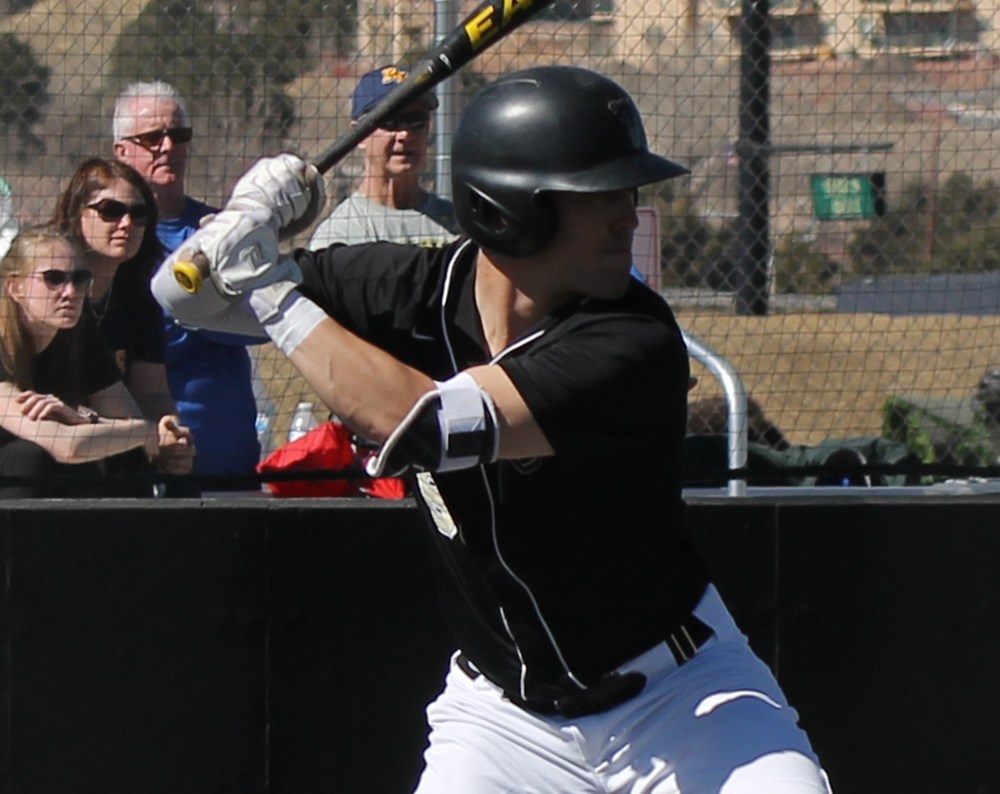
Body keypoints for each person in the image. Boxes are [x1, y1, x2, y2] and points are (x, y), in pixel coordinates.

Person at [154, 66, 832, 792]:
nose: (627, 213)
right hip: (504, 718)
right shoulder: (408, 287)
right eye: (599, 192)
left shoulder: (632, 340)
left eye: (628, 190)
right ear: (510, 210)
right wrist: (242, 224)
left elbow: (414, 421)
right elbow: (182, 300)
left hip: (685, 697)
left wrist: (270, 288)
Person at [112, 81, 263, 483]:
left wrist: (178, 314)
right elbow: (129, 340)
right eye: (151, 137)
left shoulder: (220, 228)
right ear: (121, 150)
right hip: (147, 471)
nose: (168, 147)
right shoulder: (114, 240)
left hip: (235, 467)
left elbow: (264, 321)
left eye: (178, 135)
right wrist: (214, 311)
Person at [0, 227, 192, 497]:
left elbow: (128, 419)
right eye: (53, 278)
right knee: (28, 457)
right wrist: (148, 432)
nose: (70, 292)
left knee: (124, 452)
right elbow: (67, 447)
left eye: (80, 279)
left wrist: (86, 420)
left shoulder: (79, 334)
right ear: (15, 287)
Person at [51, 157, 195, 485]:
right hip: (49, 446)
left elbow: (152, 391)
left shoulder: (141, 297)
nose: (127, 223)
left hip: (116, 443)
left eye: (139, 214)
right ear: (76, 216)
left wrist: (168, 429)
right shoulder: (49, 289)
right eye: (111, 211)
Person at [309, 65, 460, 249]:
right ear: (359, 135)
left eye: (416, 121)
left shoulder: (458, 225)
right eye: (390, 121)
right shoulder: (342, 235)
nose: (405, 134)